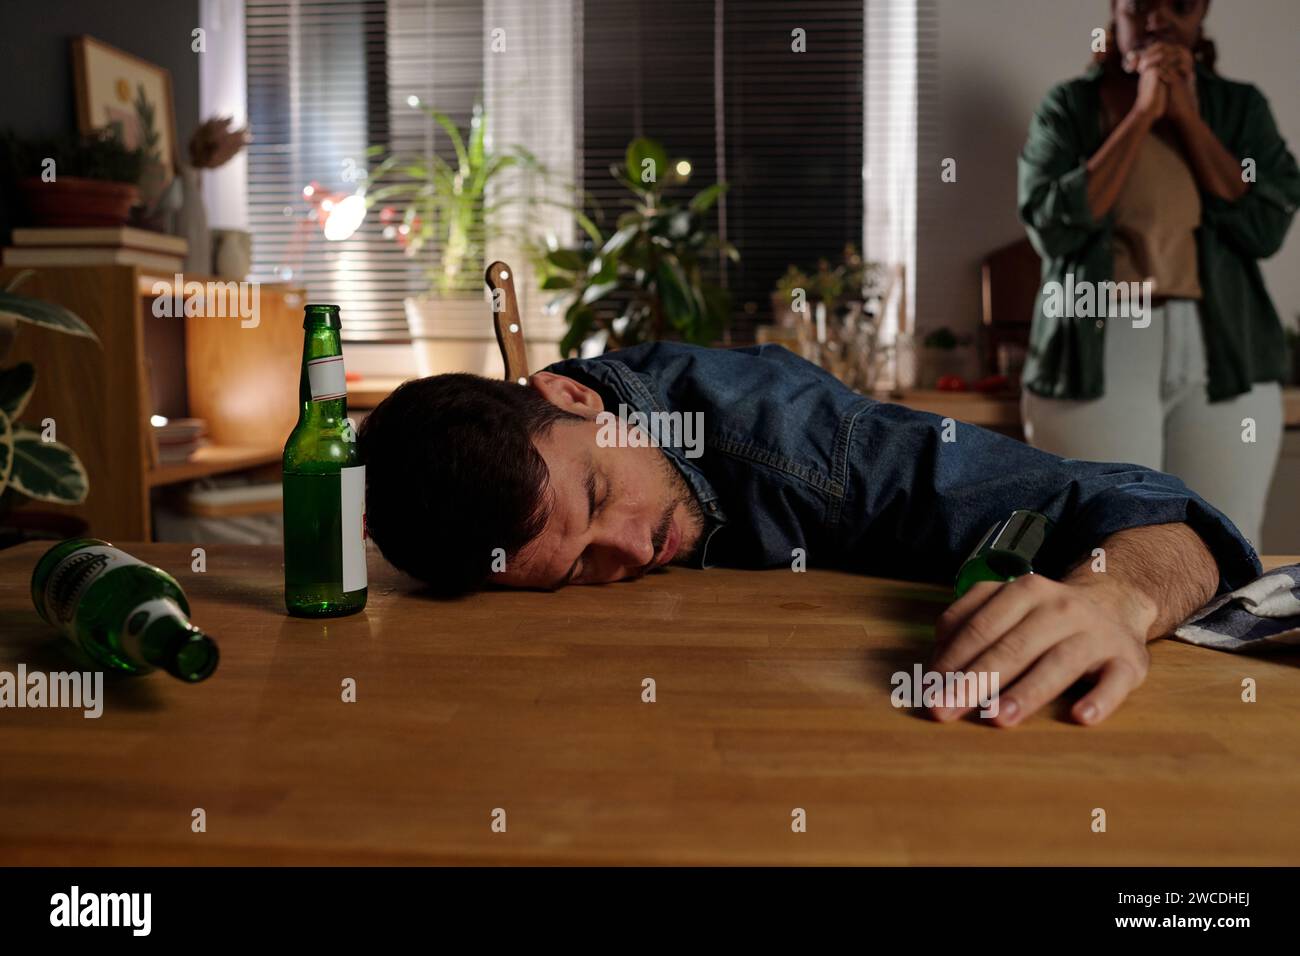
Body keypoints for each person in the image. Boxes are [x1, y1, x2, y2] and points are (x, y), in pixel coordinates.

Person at [358, 341, 1262, 729]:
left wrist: (1112, 595)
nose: (629, 550)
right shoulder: (530, 465)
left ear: (572, 395)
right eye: (577, 568)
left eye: (599, 496)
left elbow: (1148, 503)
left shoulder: (801, 442)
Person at [1018, 0, 1300, 551]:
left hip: (1225, 354)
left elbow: (1266, 226)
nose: (1157, 18)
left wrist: (1188, 118)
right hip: (1094, 344)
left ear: (1202, 16)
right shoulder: (1069, 107)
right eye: (1139, 5)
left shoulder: (1240, 107)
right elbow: (1051, 228)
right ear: (1115, 13)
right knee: (1100, 544)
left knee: (1226, 545)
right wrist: (1142, 114)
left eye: (1179, 4)